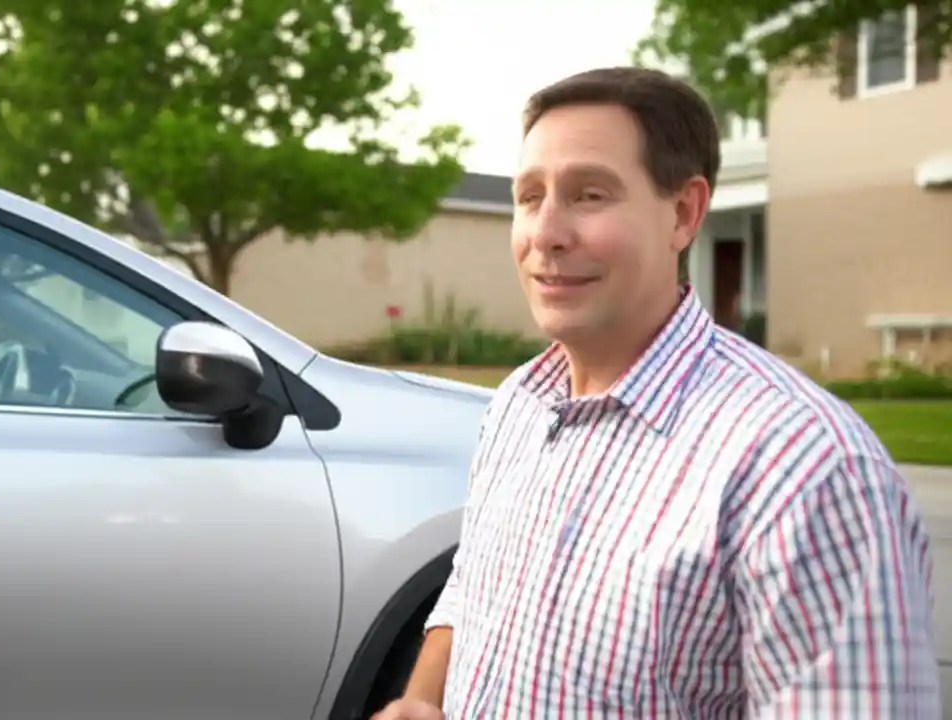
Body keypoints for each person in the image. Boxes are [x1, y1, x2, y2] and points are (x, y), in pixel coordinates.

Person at [373, 66, 940, 719]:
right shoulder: (519, 406)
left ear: (684, 213)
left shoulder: (807, 469)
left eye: (589, 195)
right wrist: (422, 699)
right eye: (529, 197)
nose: (547, 233)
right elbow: (471, 589)